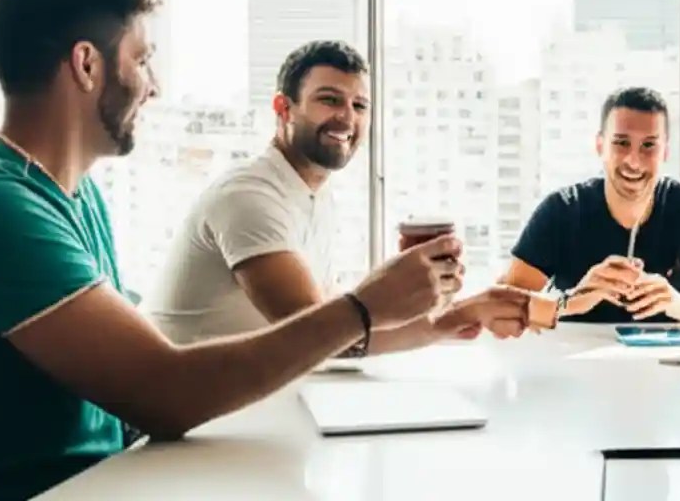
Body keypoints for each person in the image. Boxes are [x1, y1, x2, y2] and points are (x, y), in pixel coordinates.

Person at [0, 0, 530, 499]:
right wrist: (364, 305)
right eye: (141, 59)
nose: (152, 85)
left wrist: (430, 316)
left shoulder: (72, 199)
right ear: (87, 65)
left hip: (112, 476)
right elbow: (163, 394)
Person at [146, 40, 479, 345]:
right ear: (283, 108)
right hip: (194, 403)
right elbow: (316, 334)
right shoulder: (249, 196)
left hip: (248, 396)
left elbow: (334, 318)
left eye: (360, 105)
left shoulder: (315, 195)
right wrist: (418, 303)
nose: (347, 117)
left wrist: (458, 315)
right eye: (329, 100)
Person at [499, 87, 680, 324]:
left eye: (649, 145)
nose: (634, 162)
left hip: (663, 362)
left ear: (665, 152)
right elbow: (501, 303)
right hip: (570, 362)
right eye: (621, 143)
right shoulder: (561, 210)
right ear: (600, 146)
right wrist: (571, 301)